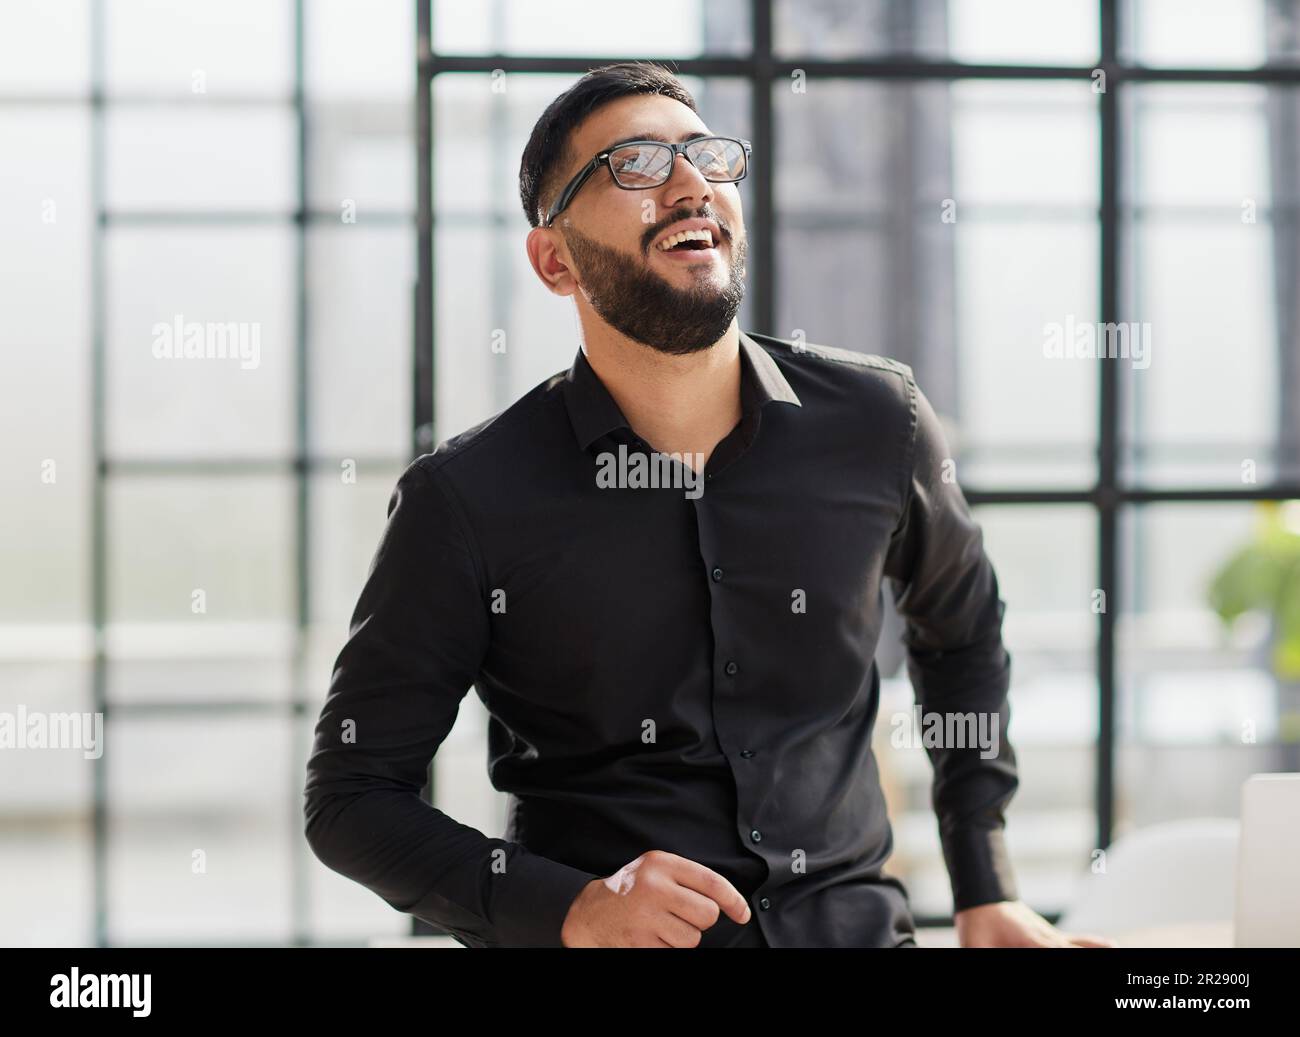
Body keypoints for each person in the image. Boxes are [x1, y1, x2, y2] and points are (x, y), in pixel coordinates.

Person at [303, 60, 1115, 950]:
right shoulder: (464, 499)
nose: (691, 184)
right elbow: (351, 797)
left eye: (706, 158)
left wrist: (984, 882)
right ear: (555, 259)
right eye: (636, 166)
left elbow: (960, 634)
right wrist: (570, 907)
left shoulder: (881, 423)